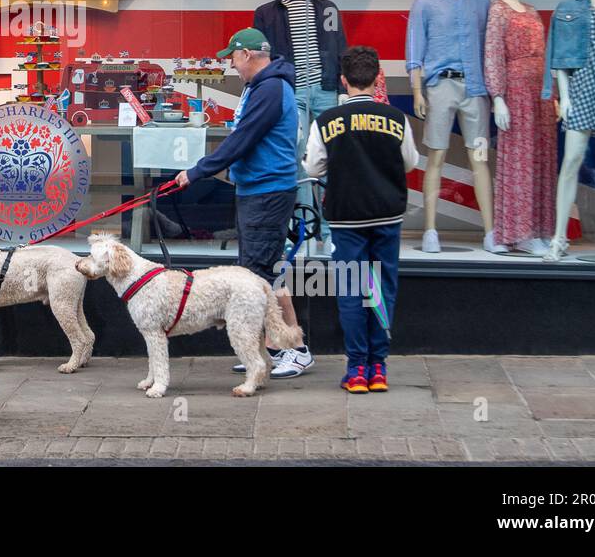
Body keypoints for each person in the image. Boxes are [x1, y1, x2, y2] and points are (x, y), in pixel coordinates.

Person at [175, 27, 313, 378]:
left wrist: (198, 171)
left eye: (233, 58)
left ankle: (295, 349)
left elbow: (244, 139)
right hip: (257, 189)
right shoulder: (262, 87)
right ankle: (268, 351)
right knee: (264, 271)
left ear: (247, 55)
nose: (232, 66)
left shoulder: (270, 88)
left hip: (267, 191)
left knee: (262, 275)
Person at [303, 45, 419, 393]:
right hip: (387, 214)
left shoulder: (326, 121)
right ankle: (378, 368)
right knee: (382, 290)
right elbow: (410, 162)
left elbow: (312, 167)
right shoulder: (397, 120)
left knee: (351, 291)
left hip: (346, 218)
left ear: (343, 81)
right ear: (377, 77)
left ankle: (356, 370)